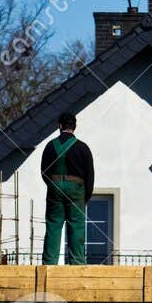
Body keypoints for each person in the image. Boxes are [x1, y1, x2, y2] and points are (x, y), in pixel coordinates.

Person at [41, 112, 95, 266]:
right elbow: (90, 175)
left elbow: (44, 171)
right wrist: (85, 196)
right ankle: (77, 263)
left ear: (60, 126)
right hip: (76, 188)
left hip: (55, 186)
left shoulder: (50, 146)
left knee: (53, 224)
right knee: (76, 226)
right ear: (75, 127)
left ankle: (49, 263)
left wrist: (53, 185)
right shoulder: (83, 148)